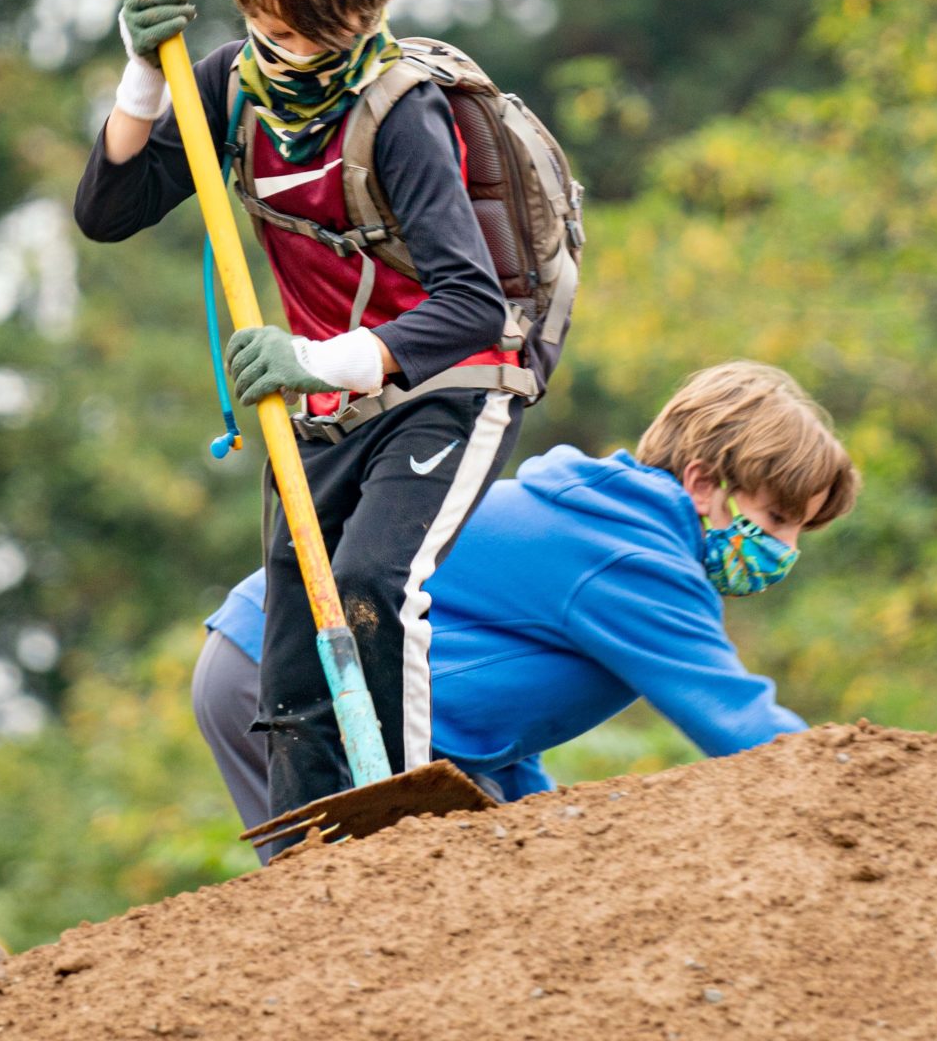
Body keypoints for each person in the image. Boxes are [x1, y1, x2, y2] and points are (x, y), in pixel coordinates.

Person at [75, 0, 536, 824]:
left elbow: (472, 305)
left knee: (370, 585)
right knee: (290, 652)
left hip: (447, 388)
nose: (299, 56)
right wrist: (141, 76)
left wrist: (317, 359)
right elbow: (108, 212)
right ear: (247, 1)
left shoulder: (402, 112)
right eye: (277, 31)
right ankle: (311, 868)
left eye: (324, 37)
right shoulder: (230, 87)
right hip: (326, 411)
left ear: (370, 10)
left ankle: (413, 825)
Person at [193, 361, 859, 846]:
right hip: (295, 671)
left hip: (326, 684)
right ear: (703, 483)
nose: (786, 549)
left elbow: (496, 715)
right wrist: (860, 782)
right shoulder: (632, 559)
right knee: (355, 915)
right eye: (776, 518)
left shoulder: (608, 524)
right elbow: (734, 715)